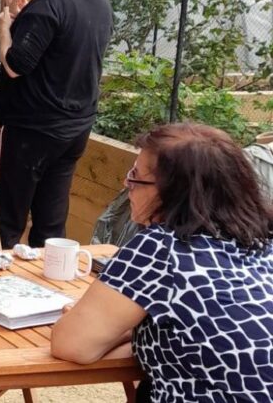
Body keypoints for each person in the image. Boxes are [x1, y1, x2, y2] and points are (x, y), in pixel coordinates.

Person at [52, 123, 273, 401]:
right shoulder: (263, 238)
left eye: (135, 176)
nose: (126, 184)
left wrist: (122, 329)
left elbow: (72, 345)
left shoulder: (163, 247)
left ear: (173, 192)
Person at [0, 0, 113, 248]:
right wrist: (24, 19)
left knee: (6, 219)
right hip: (74, 129)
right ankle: (47, 287)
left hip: (29, 129)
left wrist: (5, 28)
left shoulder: (49, 3)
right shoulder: (100, 5)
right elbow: (59, 54)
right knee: (51, 221)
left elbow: (16, 65)